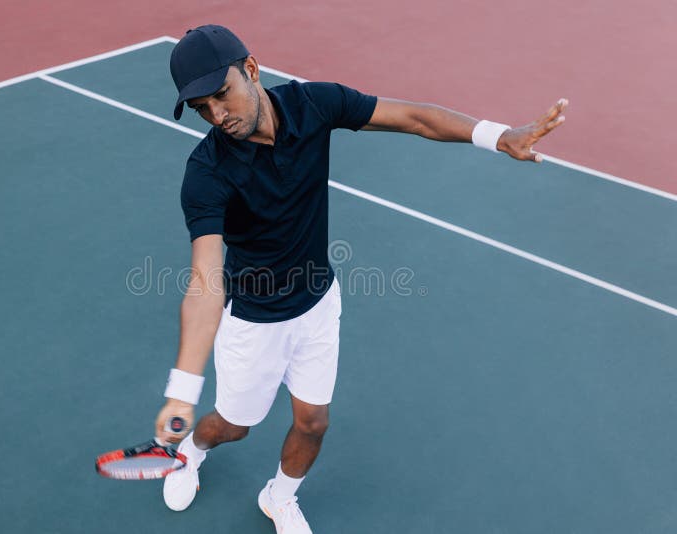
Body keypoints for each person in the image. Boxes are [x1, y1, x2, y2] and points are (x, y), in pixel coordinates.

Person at [155, 24, 567, 534]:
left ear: (253, 71)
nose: (219, 115)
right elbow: (205, 279)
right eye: (202, 108)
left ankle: (278, 497)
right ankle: (191, 451)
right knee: (235, 426)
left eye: (223, 94)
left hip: (319, 305)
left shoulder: (315, 105)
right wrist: (181, 389)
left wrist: (499, 136)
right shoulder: (207, 174)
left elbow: (414, 119)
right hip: (254, 321)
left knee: (313, 422)